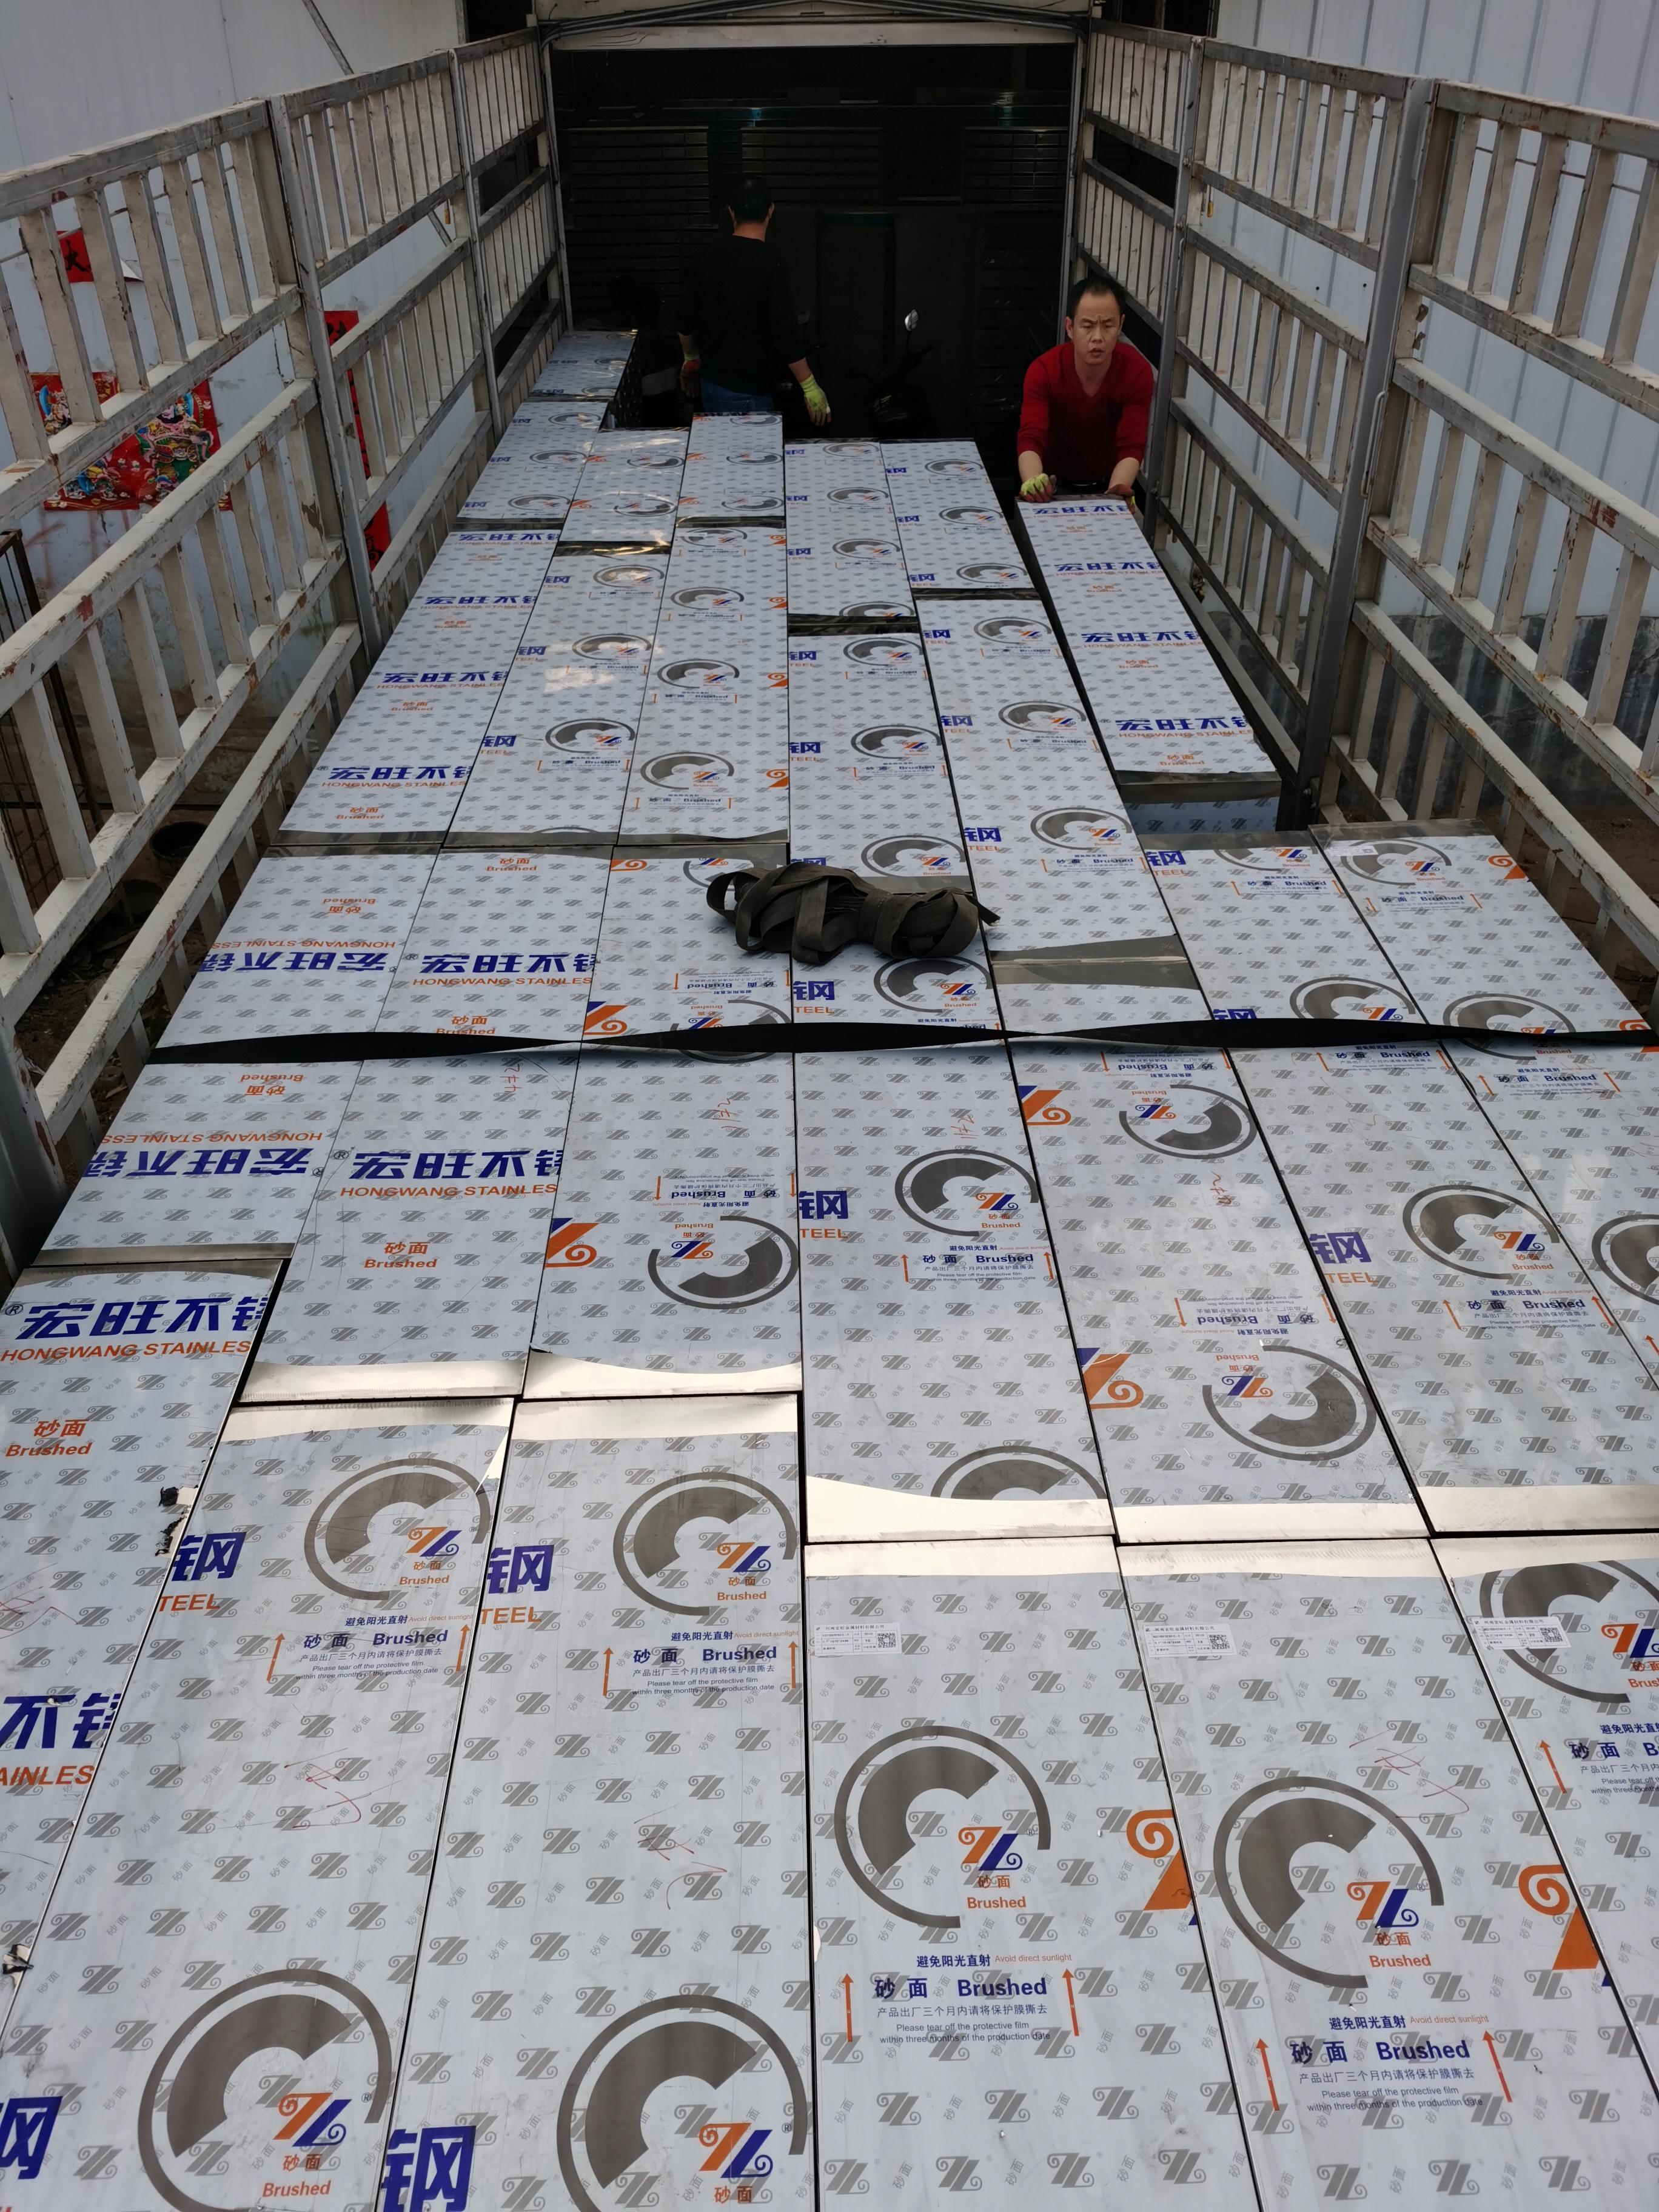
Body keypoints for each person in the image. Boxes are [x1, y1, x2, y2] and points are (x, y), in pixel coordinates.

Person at [675, 178, 831, 424]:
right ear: (771, 211)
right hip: (749, 393)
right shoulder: (771, 263)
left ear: (731, 212)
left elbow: (684, 321)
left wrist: (690, 358)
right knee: (751, 450)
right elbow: (785, 332)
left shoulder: (705, 258)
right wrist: (810, 386)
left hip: (711, 385)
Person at [1017, 273, 1153, 502]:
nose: (1097, 338)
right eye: (1087, 326)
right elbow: (1031, 437)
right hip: (1051, 484)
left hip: (1108, 483)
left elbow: (1132, 445)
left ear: (1120, 325)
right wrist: (1034, 483)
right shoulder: (1043, 371)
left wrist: (1116, 494)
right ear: (1070, 328)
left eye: (1108, 326)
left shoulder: (1136, 371)